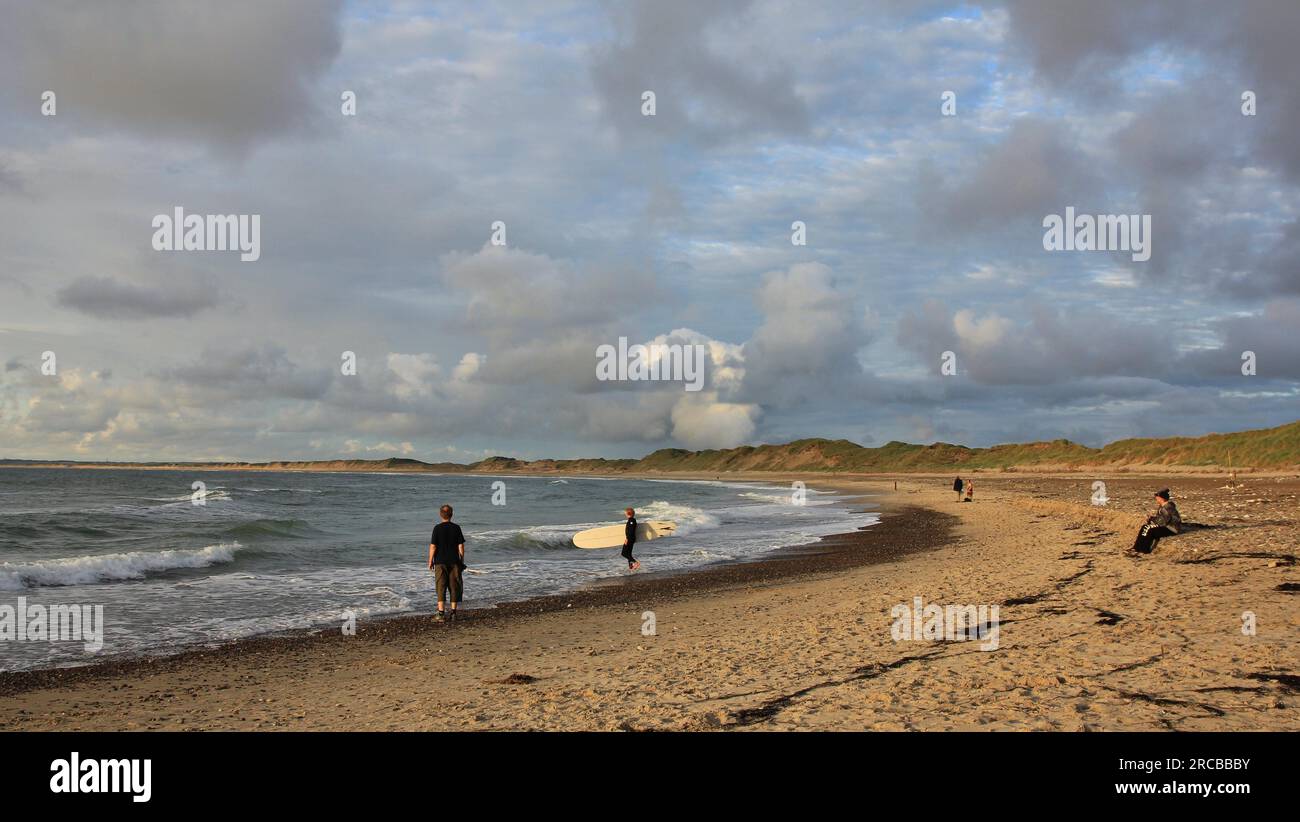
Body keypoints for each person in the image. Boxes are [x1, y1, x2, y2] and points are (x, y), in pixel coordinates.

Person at [428, 504, 466, 621]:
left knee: (441, 586)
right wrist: (461, 559)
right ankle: (453, 613)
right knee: (454, 586)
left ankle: (441, 614)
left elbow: (433, 546)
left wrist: (430, 561)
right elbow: (461, 546)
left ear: (440, 514)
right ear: (451, 515)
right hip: (454, 561)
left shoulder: (437, 528)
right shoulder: (456, 528)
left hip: (440, 562)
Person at [1131, 488, 1182, 555]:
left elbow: (1163, 522)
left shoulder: (1167, 508)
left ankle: (1143, 550)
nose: (1156, 499)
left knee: (1148, 529)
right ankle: (1136, 548)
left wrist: (1152, 519)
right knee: (1145, 527)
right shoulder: (1163, 506)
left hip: (1171, 528)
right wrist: (1152, 519)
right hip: (1167, 526)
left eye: (1157, 498)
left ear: (1161, 498)